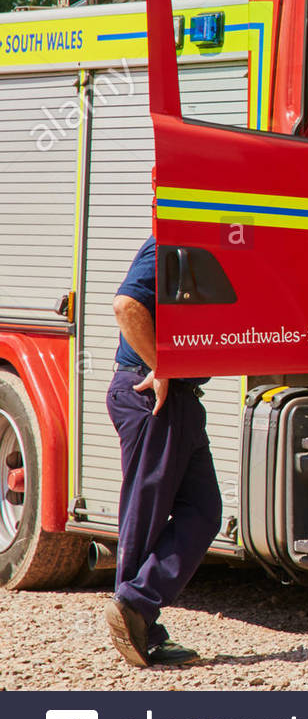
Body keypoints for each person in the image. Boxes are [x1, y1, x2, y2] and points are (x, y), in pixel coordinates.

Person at [103, 236, 221, 668]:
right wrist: (162, 365)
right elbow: (126, 305)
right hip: (150, 394)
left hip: (180, 399)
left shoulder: (203, 247)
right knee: (146, 514)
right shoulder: (170, 241)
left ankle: (136, 607)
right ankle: (138, 620)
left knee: (204, 510)